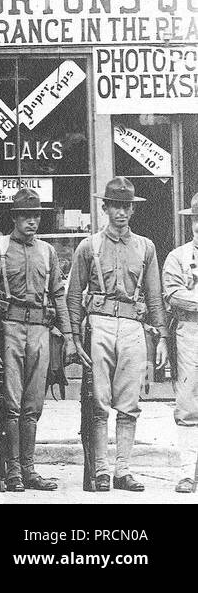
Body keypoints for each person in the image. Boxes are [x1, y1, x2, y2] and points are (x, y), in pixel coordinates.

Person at [65, 176, 167, 492]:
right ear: (105, 208)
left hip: (133, 327)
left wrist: (162, 337)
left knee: (129, 402)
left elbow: (154, 296)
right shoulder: (89, 246)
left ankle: (123, 470)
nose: (121, 212)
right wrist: (73, 338)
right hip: (99, 325)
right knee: (98, 402)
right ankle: (101, 470)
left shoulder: (145, 246)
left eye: (126, 207)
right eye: (115, 206)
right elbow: (73, 294)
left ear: (132, 210)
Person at [0, 187, 69, 492]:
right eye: (25, 216)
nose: (32, 221)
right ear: (14, 217)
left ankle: (29, 469)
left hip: (40, 330)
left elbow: (58, 294)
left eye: (36, 216)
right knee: (11, 403)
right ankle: (13, 470)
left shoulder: (48, 251)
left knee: (33, 403)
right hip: (10, 329)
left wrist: (69, 336)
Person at [163, 192, 198, 494]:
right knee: (188, 402)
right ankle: (188, 472)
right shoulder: (178, 257)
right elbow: (174, 295)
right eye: (197, 220)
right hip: (190, 331)